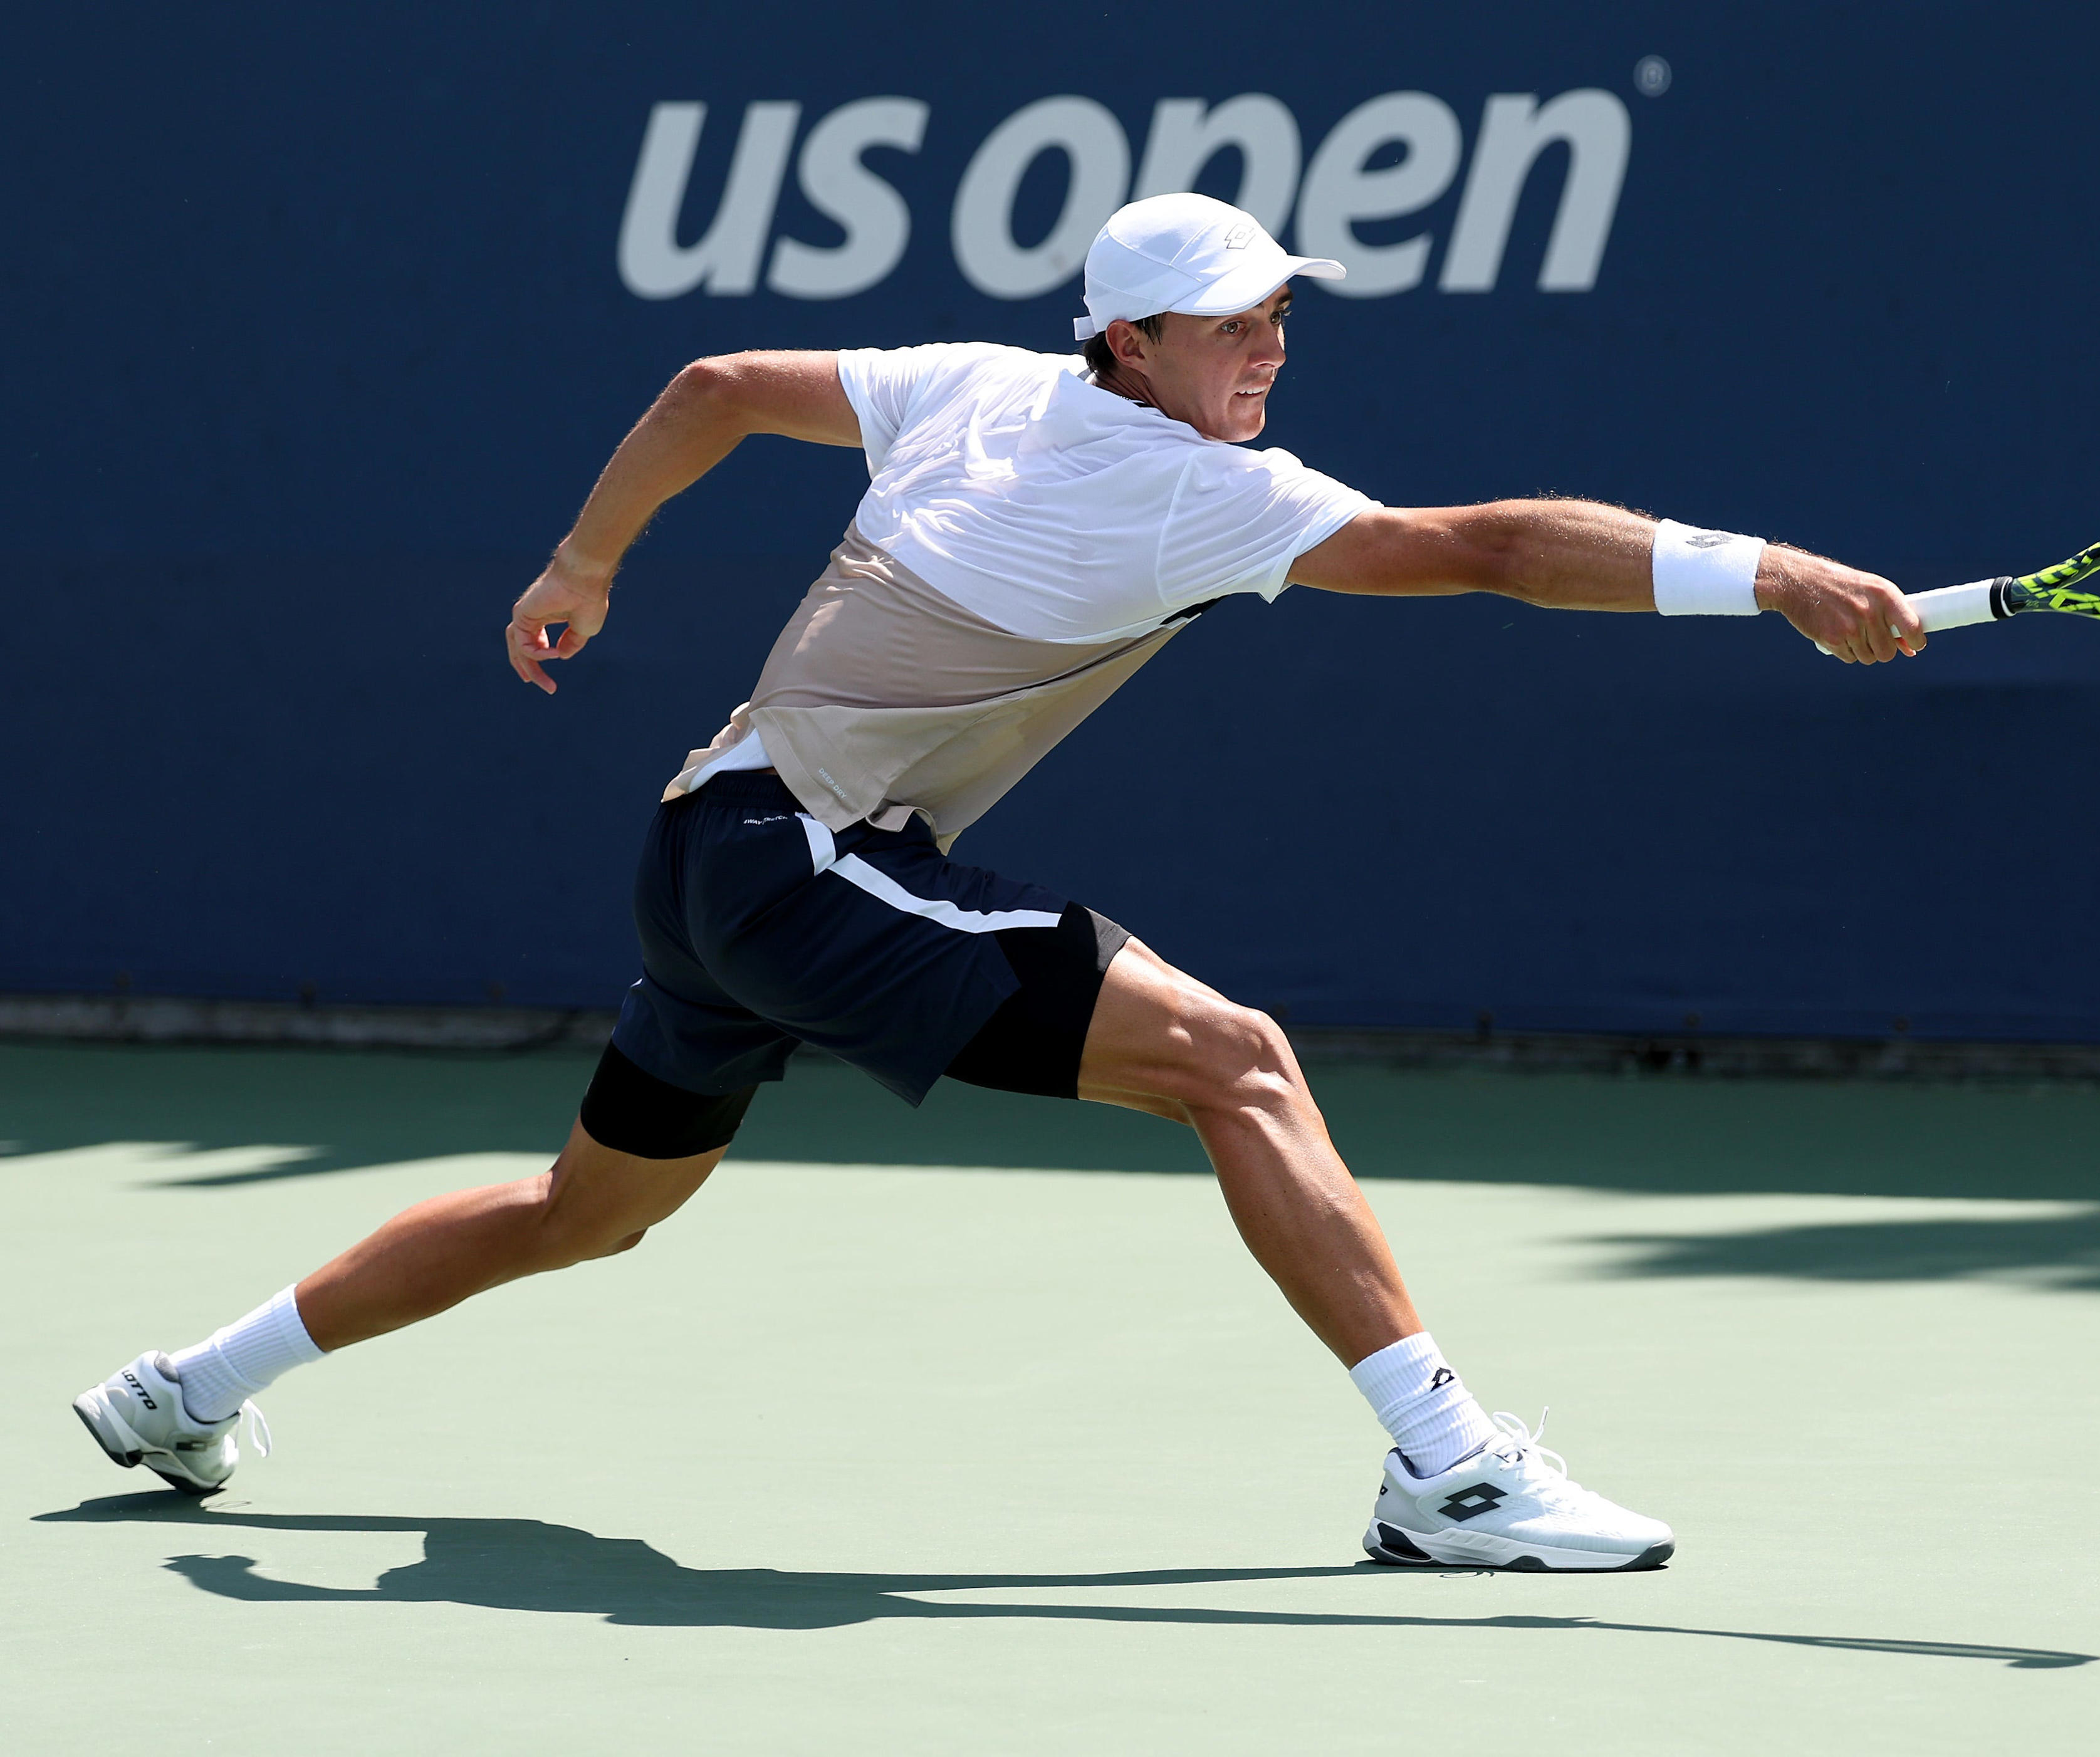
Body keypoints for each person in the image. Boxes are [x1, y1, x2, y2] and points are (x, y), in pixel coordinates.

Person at [75, 194, 1921, 1572]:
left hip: (707, 842)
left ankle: (189, 1381)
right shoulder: (1195, 491)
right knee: (1239, 1060)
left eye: (1278, 312)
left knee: (587, 1208)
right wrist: (1760, 568)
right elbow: (1498, 549)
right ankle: (1445, 1468)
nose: (1264, 346)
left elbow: (716, 383)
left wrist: (585, 559)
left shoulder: (974, 382)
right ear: (1129, 344)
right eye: (1223, 326)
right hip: (802, 862)